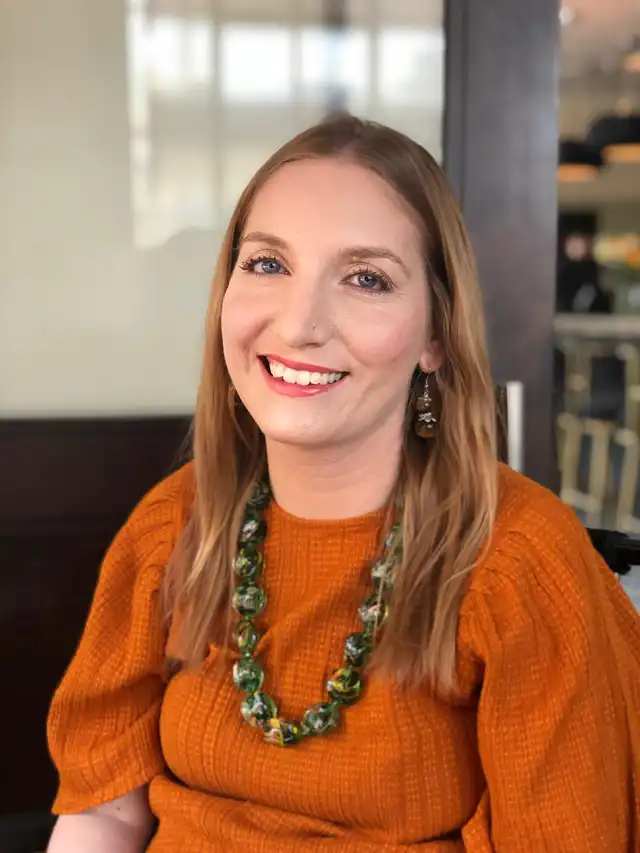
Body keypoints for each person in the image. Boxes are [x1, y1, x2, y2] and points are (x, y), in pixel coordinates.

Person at [46, 115, 640, 853]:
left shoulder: (519, 557)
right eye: (268, 263)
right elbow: (104, 813)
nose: (300, 324)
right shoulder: (174, 523)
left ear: (435, 335)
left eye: (366, 278)